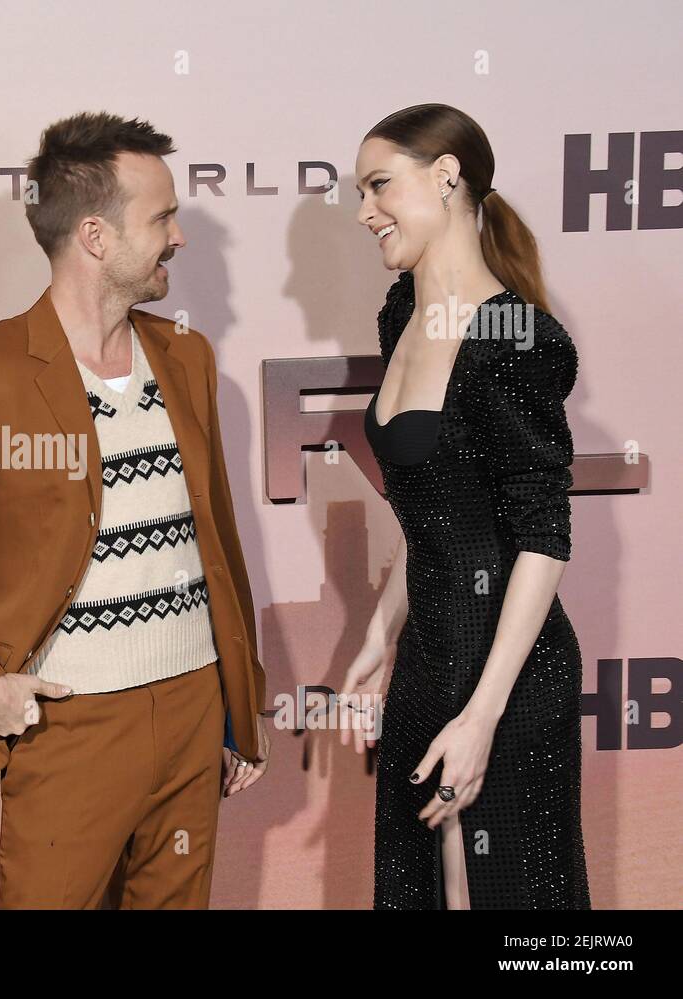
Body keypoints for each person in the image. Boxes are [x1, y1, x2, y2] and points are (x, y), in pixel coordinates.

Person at [0, 112, 269, 909]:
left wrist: (235, 706)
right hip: (68, 727)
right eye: (162, 218)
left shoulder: (188, 357)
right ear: (95, 236)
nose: (179, 237)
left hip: (193, 710)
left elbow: (215, 540)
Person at [343, 103, 591, 909]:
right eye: (359, 191)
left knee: (507, 898)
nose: (363, 211)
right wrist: (381, 638)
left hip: (509, 678)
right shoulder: (398, 317)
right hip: (428, 662)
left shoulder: (516, 336)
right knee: (423, 887)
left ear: (447, 176)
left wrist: (484, 715)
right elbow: (434, 523)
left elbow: (541, 537)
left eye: (380, 185)